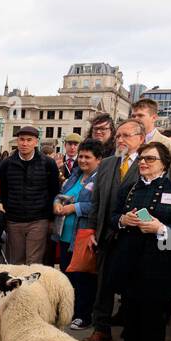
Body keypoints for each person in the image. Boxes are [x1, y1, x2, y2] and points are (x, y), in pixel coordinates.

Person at [107, 142, 171, 341]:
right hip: (130, 263)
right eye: (142, 158)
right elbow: (113, 218)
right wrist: (123, 220)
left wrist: (161, 228)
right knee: (131, 321)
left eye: (150, 159)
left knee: (153, 324)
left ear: (164, 164)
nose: (143, 163)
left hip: (158, 266)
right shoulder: (129, 190)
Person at [84, 119, 143, 341]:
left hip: (132, 236)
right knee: (103, 283)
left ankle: (131, 326)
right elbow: (96, 200)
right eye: (118, 136)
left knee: (132, 282)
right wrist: (91, 229)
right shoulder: (107, 164)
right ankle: (101, 328)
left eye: (126, 135)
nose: (120, 140)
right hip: (105, 234)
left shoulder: (147, 163)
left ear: (140, 138)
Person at [52, 139, 104, 331]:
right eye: (80, 156)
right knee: (67, 274)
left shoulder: (100, 179)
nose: (82, 160)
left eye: (87, 157)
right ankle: (69, 311)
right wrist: (57, 203)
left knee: (84, 277)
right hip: (65, 233)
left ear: (98, 159)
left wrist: (75, 207)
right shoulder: (75, 175)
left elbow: (100, 205)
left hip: (83, 235)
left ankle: (83, 314)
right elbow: (61, 194)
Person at [0, 125, 60, 265]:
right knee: (16, 262)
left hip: (38, 220)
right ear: (17, 141)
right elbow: (4, 190)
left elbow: (54, 191)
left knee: (34, 262)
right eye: (21, 139)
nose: (24, 143)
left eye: (29, 140)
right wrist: (2, 205)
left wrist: (49, 219)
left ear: (36, 142)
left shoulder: (48, 163)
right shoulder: (7, 164)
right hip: (14, 220)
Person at [130, 98, 171, 186]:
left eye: (140, 115)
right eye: (133, 116)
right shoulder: (128, 143)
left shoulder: (169, 145)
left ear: (154, 118)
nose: (136, 119)